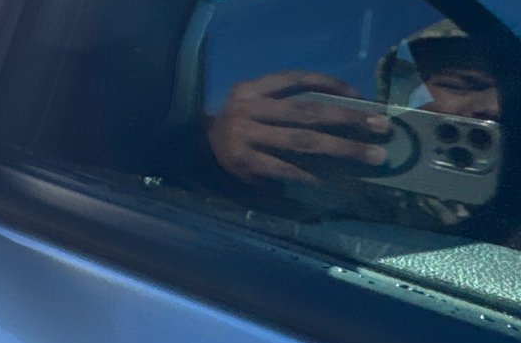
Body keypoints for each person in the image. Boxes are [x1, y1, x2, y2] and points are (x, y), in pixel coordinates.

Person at [205, 19, 501, 230]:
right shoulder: (352, 177)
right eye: (462, 84)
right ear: (401, 95)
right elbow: (282, 214)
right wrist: (219, 153)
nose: (495, 108)